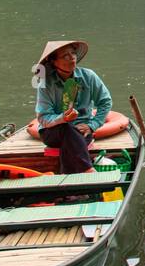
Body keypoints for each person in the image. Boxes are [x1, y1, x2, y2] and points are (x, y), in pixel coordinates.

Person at [33, 39, 113, 174]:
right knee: (66, 128)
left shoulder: (89, 76)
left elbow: (105, 102)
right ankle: (88, 169)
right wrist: (63, 118)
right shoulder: (45, 83)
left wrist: (92, 125)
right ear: (53, 62)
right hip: (52, 133)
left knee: (72, 135)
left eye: (73, 53)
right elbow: (43, 117)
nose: (72, 58)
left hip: (82, 130)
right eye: (65, 56)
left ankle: (65, 177)